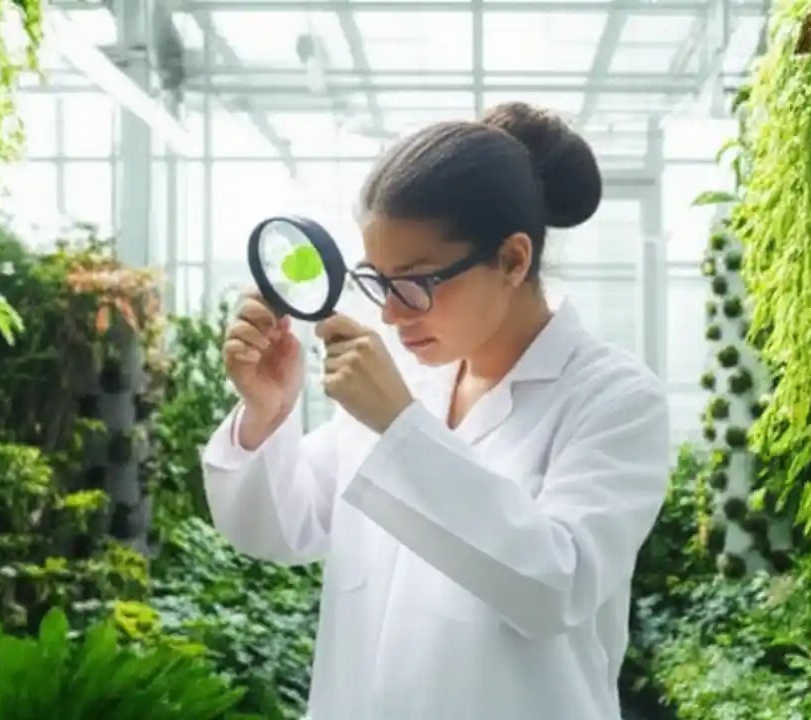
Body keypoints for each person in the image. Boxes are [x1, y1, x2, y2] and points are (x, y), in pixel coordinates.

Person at [201, 101, 671, 720]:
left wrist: (400, 427)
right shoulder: (411, 381)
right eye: (378, 279)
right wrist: (267, 411)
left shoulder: (614, 398)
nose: (392, 313)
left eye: (417, 280)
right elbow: (280, 530)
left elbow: (557, 585)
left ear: (512, 260)